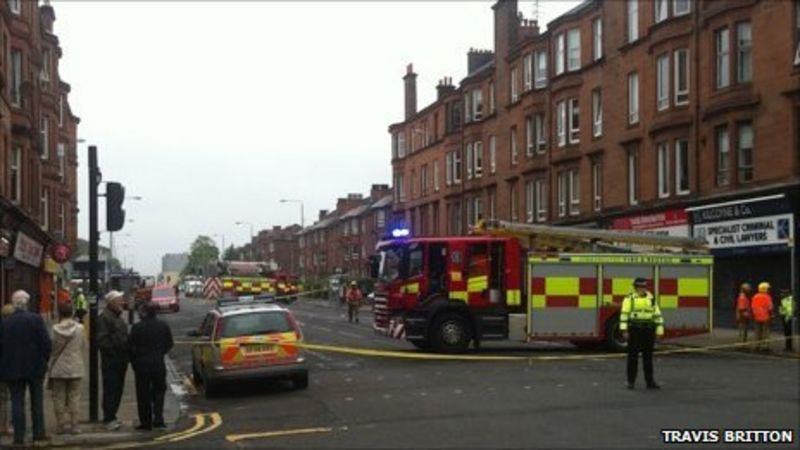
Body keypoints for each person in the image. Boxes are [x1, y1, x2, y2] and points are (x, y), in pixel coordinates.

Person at [0, 290, 52, 445]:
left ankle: (18, 437)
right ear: (27, 303)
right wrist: (44, 360)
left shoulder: (5, 322)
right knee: (37, 401)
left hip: (11, 368)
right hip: (35, 367)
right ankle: (38, 434)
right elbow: (46, 343)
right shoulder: (36, 319)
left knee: (17, 402)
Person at [129, 302, 173, 431]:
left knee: (143, 394)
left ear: (145, 313)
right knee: (159, 392)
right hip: (158, 364)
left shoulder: (137, 327)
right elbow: (169, 343)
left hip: (141, 366)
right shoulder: (163, 326)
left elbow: (130, 346)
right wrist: (160, 353)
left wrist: (134, 361)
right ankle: (158, 419)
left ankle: (146, 422)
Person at [48, 302, 86, 435]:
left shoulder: (54, 329)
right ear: (72, 313)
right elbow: (83, 346)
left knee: (58, 398)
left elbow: (52, 349)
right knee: (74, 397)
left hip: (58, 368)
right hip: (76, 366)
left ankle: (60, 426)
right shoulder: (80, 328)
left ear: (59, 313)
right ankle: (75, 426)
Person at [620, 278, 664, 390]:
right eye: (639, 287)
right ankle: (631, 382)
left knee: (648, 358)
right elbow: (624, 315)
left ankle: (650, 382)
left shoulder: (652, 299)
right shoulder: (629, 299)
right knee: (632, 357)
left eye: (643, 287)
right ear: (635, 287)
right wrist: (624, 331)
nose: (641, 289)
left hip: (648, 330)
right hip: (635, 329)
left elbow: (658, 316)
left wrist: (659, 332)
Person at [96, 290, 129, 430]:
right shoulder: (104, 317)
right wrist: (116, 350)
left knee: (117, 389)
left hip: (120, 360)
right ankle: (108, 419)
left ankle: (113, 416)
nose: (122, 302)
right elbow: (102, 340)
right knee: (111, 389)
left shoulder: (116, 316)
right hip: (112, 360)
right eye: (119, 300)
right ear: (111, 302)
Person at [0, 304, 16, 439]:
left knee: (2, 398)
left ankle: (2, 425)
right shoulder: (15, 329)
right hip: (12, 367)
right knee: (11, 398)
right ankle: (9, 425)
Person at [751, 282, 774, 353]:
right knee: (766, 333)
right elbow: (770, 308)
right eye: (768, 288)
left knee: (757, 333)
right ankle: (765, 347)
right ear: (765, 289)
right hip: (765, 317)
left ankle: (756, 346)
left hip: (756, 317)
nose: (769, 290)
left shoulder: (755, 296)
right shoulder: (767, 297)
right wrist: (772, 316)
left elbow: (752, 307)